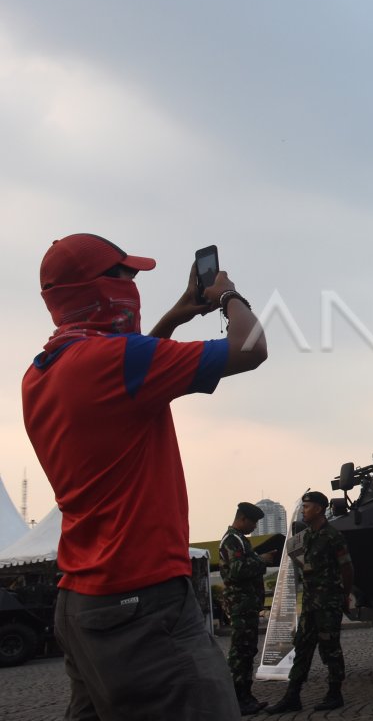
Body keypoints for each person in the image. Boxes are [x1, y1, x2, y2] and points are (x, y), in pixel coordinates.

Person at [22, 233, 268, 720]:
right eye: (125, 275)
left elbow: (128, 372)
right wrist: (227, 296)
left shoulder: (42, 373)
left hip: (80, 603)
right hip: (142, 601)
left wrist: (177, 314)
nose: (133, 285)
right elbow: (251, 346)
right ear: (96, 289)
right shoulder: (116, 362)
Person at [265, 491, 354, 714]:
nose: (303, 510)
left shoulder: (333, 536)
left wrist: (344, 595)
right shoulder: (307, 537)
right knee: (302, 648)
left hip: (328, 604)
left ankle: (335, 693)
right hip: (310, 604)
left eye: (307, 507)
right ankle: (292, 696)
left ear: (319, 509)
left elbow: (347, 568)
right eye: (303, 507)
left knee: (330, 648)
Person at [220, 502, 278, 715]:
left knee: (247, 651)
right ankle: (238, 698)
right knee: (240, 653)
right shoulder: (232, 540)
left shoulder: (241, 541)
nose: (254, 527)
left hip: (247, 606)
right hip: (240, 606)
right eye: (253, 522)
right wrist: (262, 560)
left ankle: (245, 696)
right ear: (242, 518)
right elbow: (237, 570)